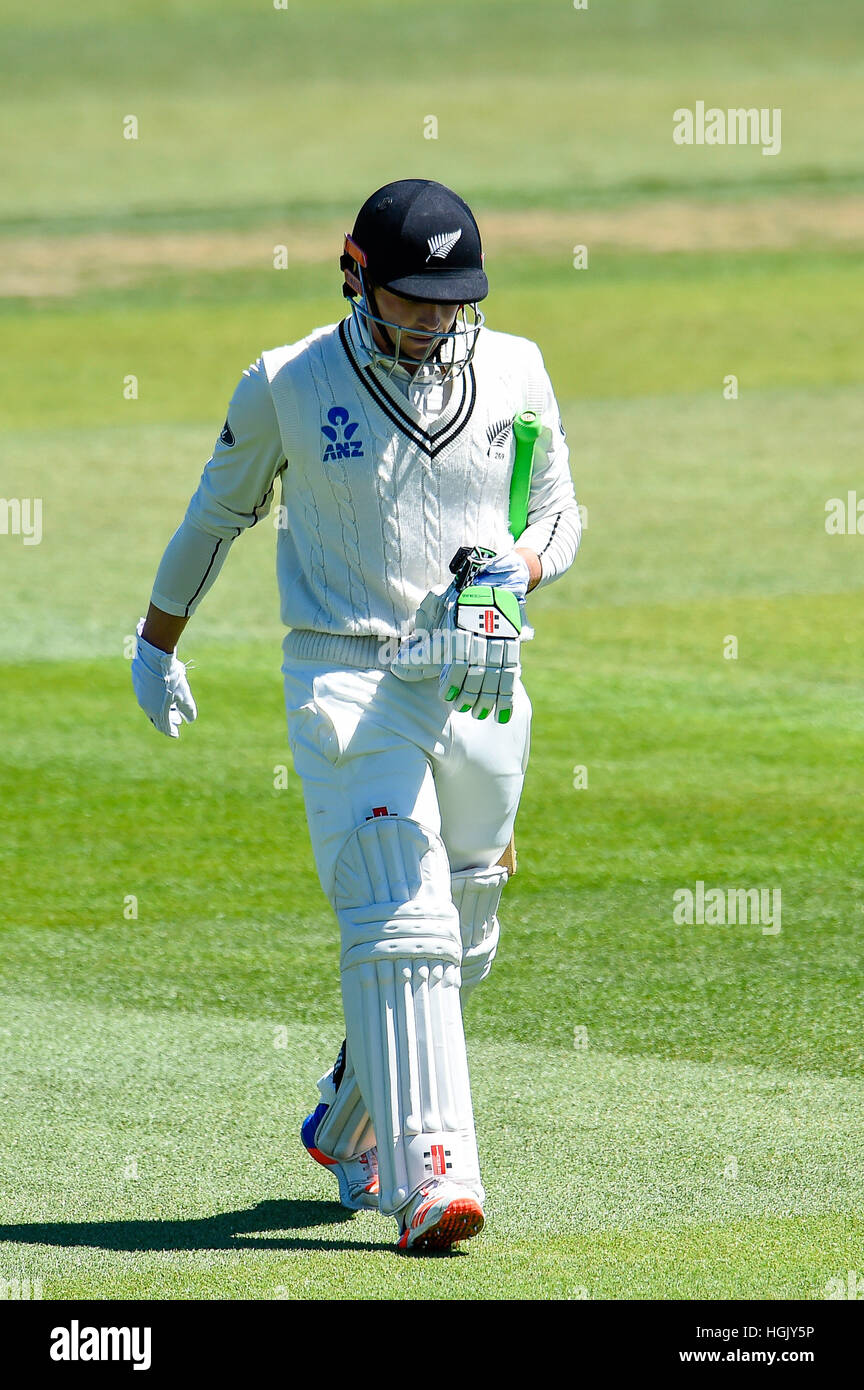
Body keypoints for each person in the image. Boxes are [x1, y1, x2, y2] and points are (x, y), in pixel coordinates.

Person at [131, 178, 582, 1253]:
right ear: (356, 273)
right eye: (413, 298)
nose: (434, 319)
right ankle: (434, 1177)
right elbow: (218, 511)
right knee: (401, 910)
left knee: (465, 931)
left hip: (477, 670)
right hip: (345, 674)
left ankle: (347, 1117)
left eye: (451, 299)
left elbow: (559, 511)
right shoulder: (288, 381)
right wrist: (157, 640)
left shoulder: (515, 369)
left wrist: (514, 569)